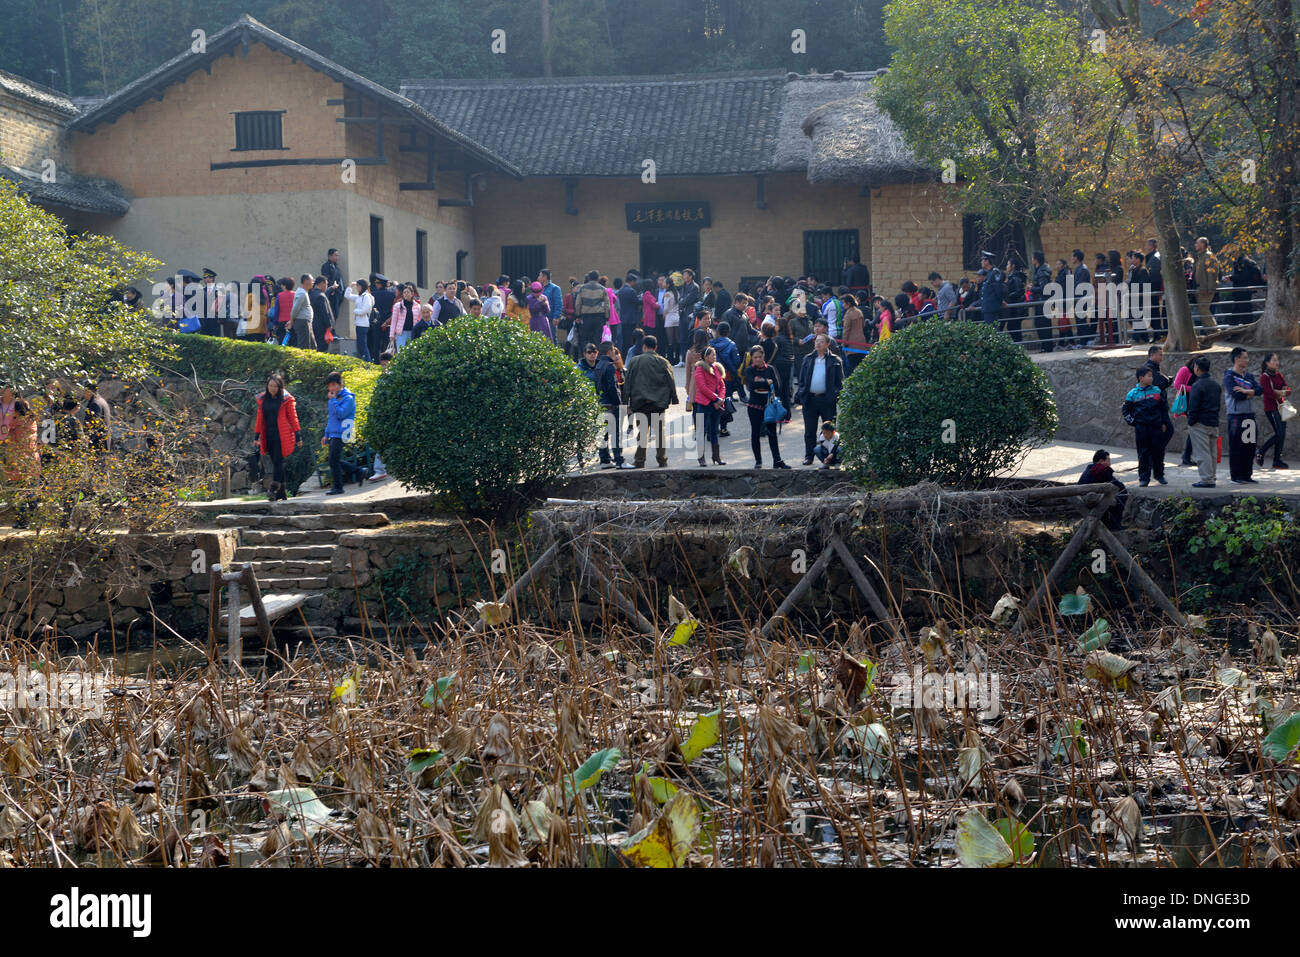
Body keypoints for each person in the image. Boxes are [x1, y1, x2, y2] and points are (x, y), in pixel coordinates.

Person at [623, 335, 679, 469]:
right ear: (656, 347)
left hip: (640, 402)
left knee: (642, 432)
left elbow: (628, 382)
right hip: (658, 402)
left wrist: (626, 402)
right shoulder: (663, 361)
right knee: (659, 432)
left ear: (643, 347)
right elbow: (671, 381)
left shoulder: (635, 361)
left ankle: (640, 460)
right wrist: (674, 398)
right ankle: (662, 460)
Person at [794, 334, 844, 466]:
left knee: (829, 430)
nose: (818, 344)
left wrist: (835, 394)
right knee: (809, 431)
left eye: (821, 341)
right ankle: (809, 456)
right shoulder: (808, 359)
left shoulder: (835, 360)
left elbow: (840, 382)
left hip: (827, 400)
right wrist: (801, 392)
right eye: (816, 341)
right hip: (810, 399)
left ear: (828, 344)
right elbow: (802, 379)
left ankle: (829, 457)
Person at [581, 341, 630, 469]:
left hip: (601, 403)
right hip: (610, 405)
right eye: (613, 350)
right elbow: (612, 387)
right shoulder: (609, 366)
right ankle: (619, 460)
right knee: (615, 434)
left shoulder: (598, 366)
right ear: (610, 351)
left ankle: (605, 460)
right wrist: (618, 403)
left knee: (604, 434)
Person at [254, 374, 302, 502]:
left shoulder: (286, 400)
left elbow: (293, 417)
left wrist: (298, 435)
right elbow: (259, 419)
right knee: (277, 462)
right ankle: (282, 492)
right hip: (268, 435)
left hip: (282, 436)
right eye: (270, 385)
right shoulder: (263, 399)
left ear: (280, 387)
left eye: (275, 386)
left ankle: (274, 488)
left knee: (278, 461)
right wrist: (256, 436)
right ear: (267, 386)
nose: (272, 388)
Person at [742, 345, 788, 469]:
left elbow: (778, 385)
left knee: (772, 433)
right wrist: (766, 382)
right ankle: (758, 461)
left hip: (769, 406)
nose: (758, 359)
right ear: (751, 358)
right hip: (754, 406)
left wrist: (760, 384)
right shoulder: (749, 370)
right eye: (755, 357)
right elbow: (751, 386)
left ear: (764, 357)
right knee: (755, 433)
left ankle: (777, 460)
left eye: (760, 357)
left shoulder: (771, 369)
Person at [1122, 367, 1169, 487]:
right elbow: (1126, 410)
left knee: (1158, 452)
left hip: (1156, 427)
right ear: (1141, 378)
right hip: (1142, 429)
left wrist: (1164, 423)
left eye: (1151, 376)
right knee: (1143, 453)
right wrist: (1133, 422)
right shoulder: (1132, 394)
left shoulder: (1157, 391)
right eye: (1149, 376)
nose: (1151, 378)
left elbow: (1163, 408)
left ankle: (1159, 475)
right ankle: (1144, 478)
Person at [1223, 347, 1260, 483]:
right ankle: (1236, 476)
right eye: (1244, 357)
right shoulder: (1229, 377)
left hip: (1250, 415)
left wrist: (1245, 390)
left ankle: (1247, 475)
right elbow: (1236, 395)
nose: (1247, 360)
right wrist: (1250, 393)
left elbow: (1259, 390)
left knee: (1249, 446)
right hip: (1236, 416)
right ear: (1237, 359)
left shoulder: (1249, 376)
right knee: (1236, 446)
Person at [1185, 356, 1221, 488]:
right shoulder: (1216, 385)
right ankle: (1212, 476)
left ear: (1197, 368)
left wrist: (1190, 421)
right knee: (1212, 452)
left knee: (1202, 452)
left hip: (1200, 423)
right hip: (1213, 421)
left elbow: (1193, 406)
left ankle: (1206, 479)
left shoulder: (1197, 385)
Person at [692, 345, 728, 467]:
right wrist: (716, 398)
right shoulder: (700, 369)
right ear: (706, 357)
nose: (714, 357)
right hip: (704, 404)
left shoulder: (716, 368)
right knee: (701, 431)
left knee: (714, 431)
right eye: (712, 355)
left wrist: (721, 399)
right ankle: (701, 457)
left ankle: (716, 456)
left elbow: (722, 385)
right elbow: (702, 387)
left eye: (714, 355)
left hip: (716, 404)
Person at [322, 372, 356, 495]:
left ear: (340, 384)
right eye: (329, 386)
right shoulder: (334, 398)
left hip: (343, 432)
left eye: (334, 385)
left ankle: (338, 487)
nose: (331, 388)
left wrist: (333, 401)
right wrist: (326, 434)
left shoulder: (348, 398)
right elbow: (332, 417)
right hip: (334, 433)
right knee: (333, 460)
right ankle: (358, 472)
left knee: (333, 460)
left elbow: (341, 414)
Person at [1077, 450, 1128, 530]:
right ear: (1101, 461)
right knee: (1121, 497)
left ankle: (1108, 524)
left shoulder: (1089, 468)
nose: (1110, 464)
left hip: (1080, 499)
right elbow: (1119, 485)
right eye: (1108, 460)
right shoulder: (1102, 469)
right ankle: (1115, 527)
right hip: (1091, 500)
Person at [1257, 351, 1291, 469]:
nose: (1277, 362)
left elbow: (1288, 390)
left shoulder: (1278, 375)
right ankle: (1260, 451)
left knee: (1282, 434)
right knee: (1279, 433)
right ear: (1267, 363)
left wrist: (1282, 391)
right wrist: (1281, 392)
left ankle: (1277, 460)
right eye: (1274, 360)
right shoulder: (1264, 377)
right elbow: (1270, 394)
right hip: (1271, 409)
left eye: (1277, 360)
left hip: (1282, 408)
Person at [1171, 356, 1199, 467]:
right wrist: (1193, 388)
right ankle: (1186, 456)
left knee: (1194, 430)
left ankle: (1187, 456)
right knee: (1193, 430)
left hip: (1195, 402)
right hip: (1187, 402)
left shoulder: (1198, 372)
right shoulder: (1185, 370)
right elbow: (1177, 385)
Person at [574, 271, 611, 354]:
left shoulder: (582, 289)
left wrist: (578, 316)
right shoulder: (602, 289)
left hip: (586, 317)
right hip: (599, 317)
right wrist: (607, 317)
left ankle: (586, 357)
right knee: (597, 339)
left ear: (589, 278)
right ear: (598, 278)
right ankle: (596, 358)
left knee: (584, 339)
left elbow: (578, 304)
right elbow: (607, 305)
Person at [1192, 236, 1219, 329]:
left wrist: (1208, 288)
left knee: (1204, 311)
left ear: (1203, 244)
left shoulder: (1209, 256)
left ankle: (1215, 331)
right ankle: (1210, 332)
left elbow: (1212, 274)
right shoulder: (1201, 256)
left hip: (1205, 289)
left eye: (1197, 243)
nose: (1195, 245)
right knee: (1202, 311)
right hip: (1200, 288)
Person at [344, 279, 374, 362]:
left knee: (362, 345)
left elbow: (365, 310)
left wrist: (355, 311)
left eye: (358, 286)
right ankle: (365, 361)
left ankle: (368, 362)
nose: (357, 287)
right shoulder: (359, 296)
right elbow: (347, 296)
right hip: (359, 324)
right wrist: (350, 286)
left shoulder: (366, 296)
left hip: (363, 324)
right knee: (360, 345)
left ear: (363, 286)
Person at [1230, 252, 1263, 325]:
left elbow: (1243, 276)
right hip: (1246, 291)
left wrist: (1231, 278)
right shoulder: (1249, 262)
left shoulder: (1242, 262)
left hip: (1241, 291)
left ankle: (1234, 329)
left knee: (1241, 312)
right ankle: (1236, 329)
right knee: (1242, 311)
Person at [840, 294, 869, 374]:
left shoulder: (848, 314)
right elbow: (863, 325)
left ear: (848, 303)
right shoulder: (859, 311)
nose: (843, 305)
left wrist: (844, 343)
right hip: (861, 342)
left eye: (844, 303)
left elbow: (846, 330)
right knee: (861, 366)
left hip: (851, 344)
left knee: (852, 368)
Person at [81, 382, 112, 454]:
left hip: (97, 441)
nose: (83, 394)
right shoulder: (101, 400)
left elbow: (93, 424)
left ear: (89, 391)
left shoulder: (95, 403)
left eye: (84, 391)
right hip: (104, 440)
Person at [976, 252, 1004, 329]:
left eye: (982, 260)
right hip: (987, 308)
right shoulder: (989, 273)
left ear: (987, 261)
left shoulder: (995, 273)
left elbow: (998, 290)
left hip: (992, 308)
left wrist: (1000, 302)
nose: (981, 262)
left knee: (993, 332)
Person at [388, 283, 419, 351]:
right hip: (401, 333)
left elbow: (418, 320)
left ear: (412, 293)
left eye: (408, 292)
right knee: (401, 352)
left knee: (412, 352)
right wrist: (391, 335)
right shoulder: (397, 305)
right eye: (404, 292)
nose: (406, 294)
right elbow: (394, 321)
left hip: (412, 332)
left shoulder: (417, 306)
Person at [370, 275, 394, 363]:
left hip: (377, 321)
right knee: (386, 342)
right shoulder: (392, 294)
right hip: (387, 321)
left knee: (376, 343)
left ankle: (376, 361)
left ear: (380, 284)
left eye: (377, 283)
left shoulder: (373, 294)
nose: (376, 285)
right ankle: (386, 361)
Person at [290, 273, 317, 350]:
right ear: (306, 281)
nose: (313, 282)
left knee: (312, 346)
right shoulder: (302, 293)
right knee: (304, 347)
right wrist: (291, 320)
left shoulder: (303, 292)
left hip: (306, 322)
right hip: (303, 322)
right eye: (312, 280)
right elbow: (295, 308)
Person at [309, 275, 335, 352]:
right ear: (322, 283)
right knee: (322, 348)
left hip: (313, 325)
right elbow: (325, 312)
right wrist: (329, 325)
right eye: (326, 284)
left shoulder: (311, 294)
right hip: (322, 328)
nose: (326, 286)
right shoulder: (320, 296)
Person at [660, 274, 680, 364]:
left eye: (664, 282)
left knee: (670, 340)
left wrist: (663, 316)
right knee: (677, 338)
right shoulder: (677, 293)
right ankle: (678, 358)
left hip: (670, 317)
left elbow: (666, 308)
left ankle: (671, 358)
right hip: (677, 316)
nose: (663, 284)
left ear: (668, 285)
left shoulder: (667, 294)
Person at [320, 248, 344, 319]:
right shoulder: (326, 266)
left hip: (339, 294)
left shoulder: (336, 266)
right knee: (333, 315)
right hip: (333, 294)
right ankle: (331, 330)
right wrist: (332, 289)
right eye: (335, 255)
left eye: (338, 255)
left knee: (335, 314)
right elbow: (326, 279)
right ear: (329, 256)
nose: (337, 257)